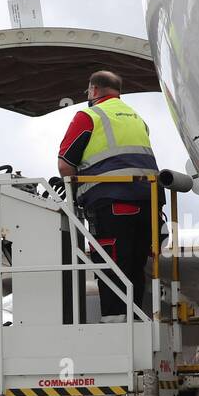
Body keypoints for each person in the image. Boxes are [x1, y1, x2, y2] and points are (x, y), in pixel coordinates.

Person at [57, 70, 160, 322]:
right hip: (149, 203)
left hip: (112, 203)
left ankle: (115, 325)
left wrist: (73, 195)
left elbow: (65, 164)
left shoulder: (89, 115)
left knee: (112, 265)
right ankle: (135, 320)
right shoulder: (137, 118)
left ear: (93, 91)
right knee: (136, 266)